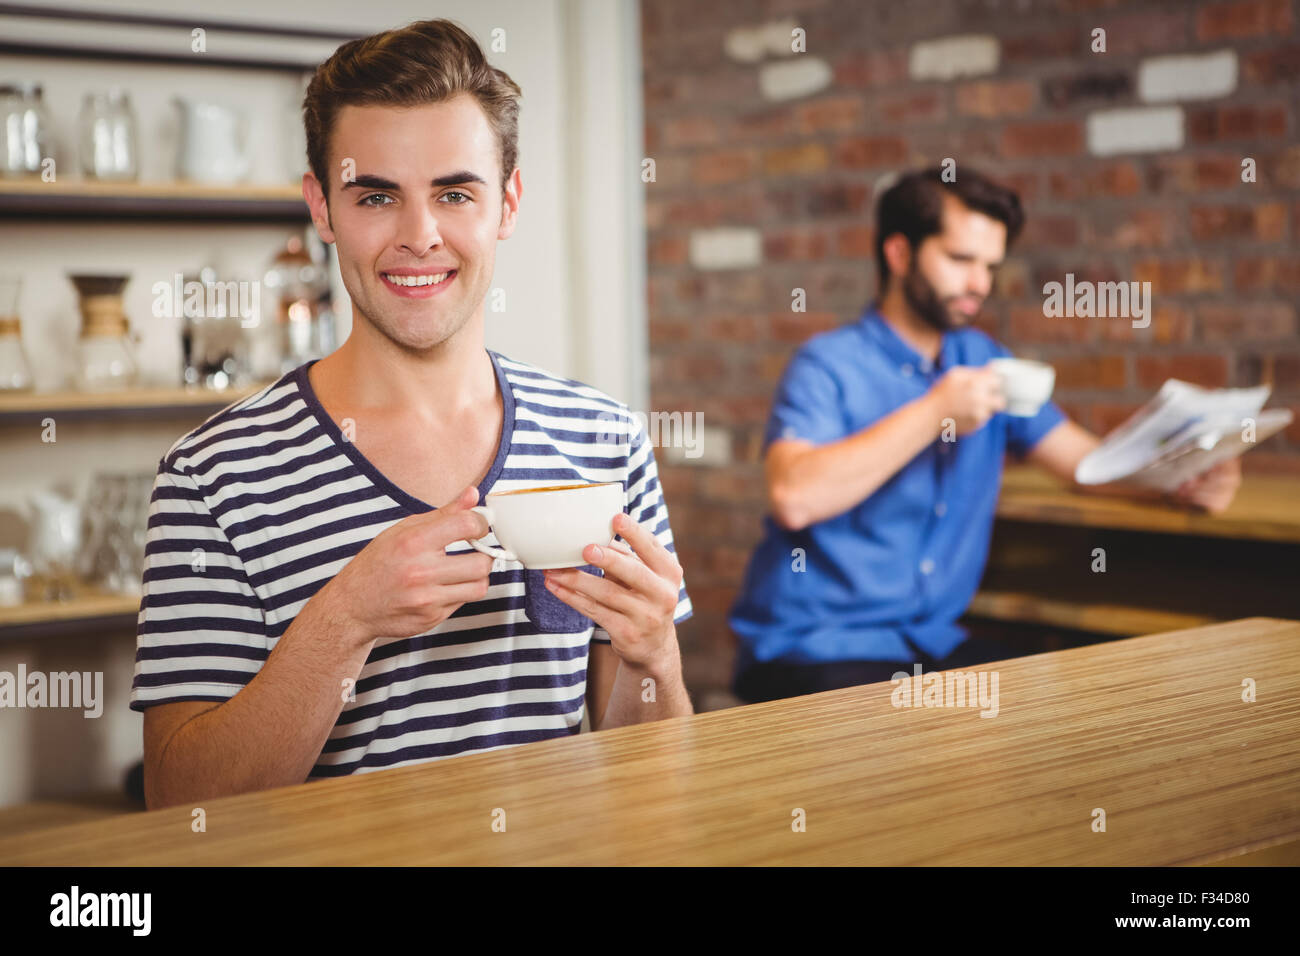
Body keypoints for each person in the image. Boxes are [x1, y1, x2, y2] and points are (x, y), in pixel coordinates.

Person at [132, 19, 692, 809]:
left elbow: (653, 783)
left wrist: (653, 658)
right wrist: (346, 619)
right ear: (322, 209)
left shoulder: (605, 440)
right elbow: (181, 809)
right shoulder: (210, 476)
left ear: (508, 202)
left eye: (455, 193)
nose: (420, 236)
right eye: (376, 196)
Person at [728, 166, 1240, 704]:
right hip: (815, 648)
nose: (981, 284)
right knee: (916, 756)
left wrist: (1181, 477)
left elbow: (1087, 467)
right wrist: (935, 411)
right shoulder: (827, 364)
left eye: (990, 266)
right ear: (899, 255)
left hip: (929, 643)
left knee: (1067, 707)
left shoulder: (985, 360)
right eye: (960, 260)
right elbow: (794, 497)